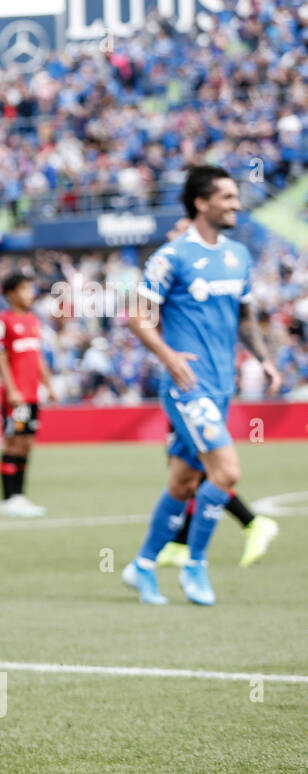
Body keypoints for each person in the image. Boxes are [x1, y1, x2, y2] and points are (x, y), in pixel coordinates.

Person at [121, 166, 282, 605]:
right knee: (227, 472)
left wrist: (265, 359)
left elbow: (245, 317)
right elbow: (137, 315)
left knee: (181, 481)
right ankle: (195, 566)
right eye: (227, 197)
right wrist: (169, 357)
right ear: (201, 202)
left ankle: (143, 565)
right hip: (186, 385)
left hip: (220, 386)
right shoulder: (171, 256)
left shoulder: (238, 255)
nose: (236, 204)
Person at [148, 219, 279, 568]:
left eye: (177, 229)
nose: (170, 235)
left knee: (207, 466)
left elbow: (238, 318)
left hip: (198, 385)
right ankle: (177, 545)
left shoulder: (208, 267)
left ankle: (249, 525)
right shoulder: (169, 273)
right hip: (181, 382)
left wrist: (262, 359)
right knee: (185, 468)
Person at [0, 273, 54, 518]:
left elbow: (37, 357)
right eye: (25, 289)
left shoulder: (32, 321)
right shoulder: (3, 322)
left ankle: (19, 497)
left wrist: (49, 384)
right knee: (13, 443)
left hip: (31, 395)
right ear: (12, 294)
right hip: (15, 396)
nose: (31, 294)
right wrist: (12, 389)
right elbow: (1, 357)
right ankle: (8, 499)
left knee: (27, 443)